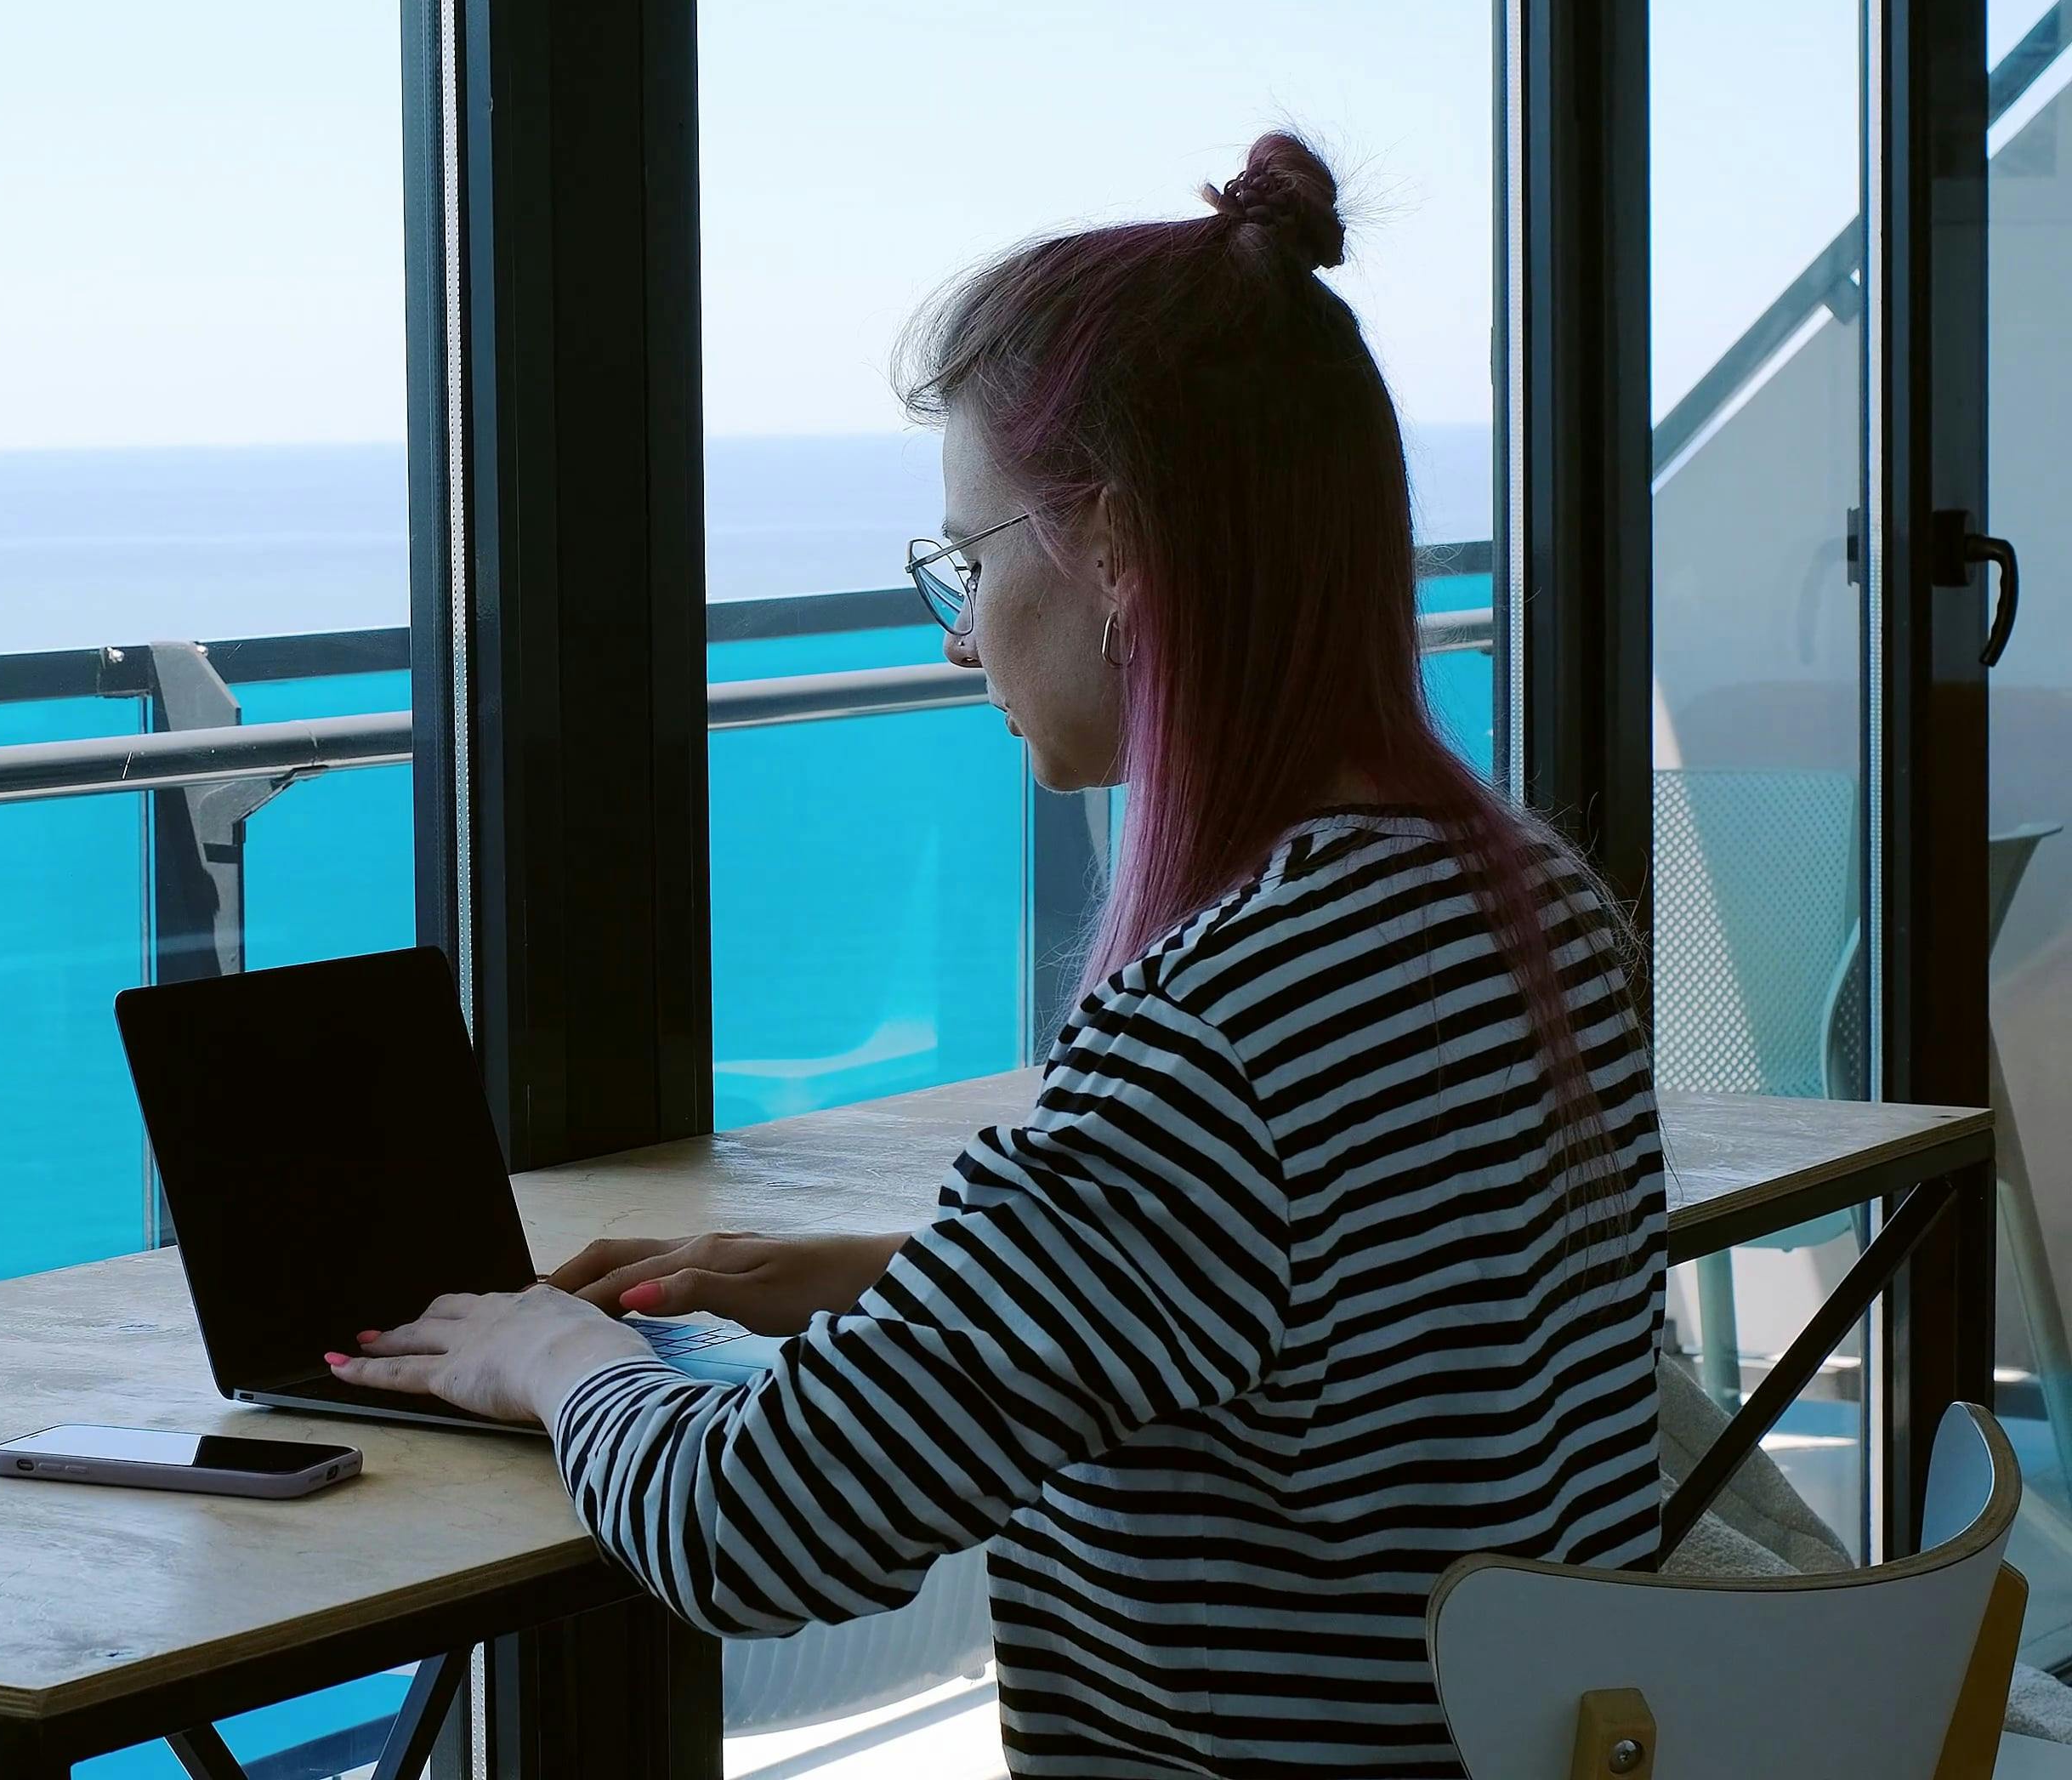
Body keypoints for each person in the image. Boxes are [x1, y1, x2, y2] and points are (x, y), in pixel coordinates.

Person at [326, 133, 1667, 1776]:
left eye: (972, 559)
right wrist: (900, 1276)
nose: (962, 636)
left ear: (1114, 550)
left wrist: (550, 1354)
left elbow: (755, 1531)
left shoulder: (1225, 1023)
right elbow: (1343, 1310)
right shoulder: (1527, 901)